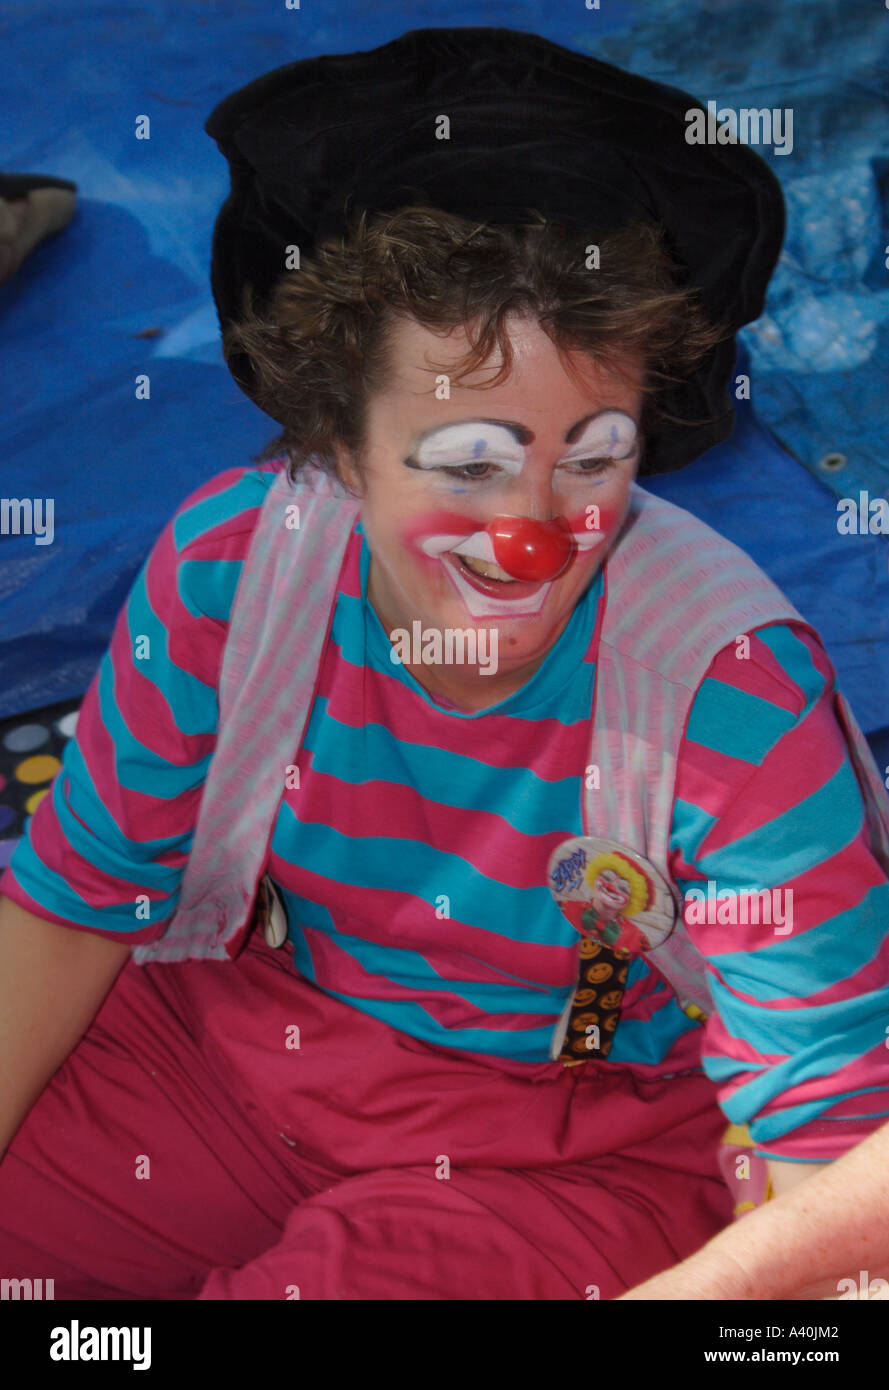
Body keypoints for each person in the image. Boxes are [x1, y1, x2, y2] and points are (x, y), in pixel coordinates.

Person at [1, 27, 888, 1302]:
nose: (531, 532)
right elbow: (67, 907)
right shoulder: (232, 572)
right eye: (467, 460)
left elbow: (835, 1153)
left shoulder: (727, 696)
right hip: (240, 1058)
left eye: (590, 458)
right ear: (338, 447)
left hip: (575, 1157)